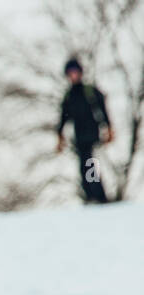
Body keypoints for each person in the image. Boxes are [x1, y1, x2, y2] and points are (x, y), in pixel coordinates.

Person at [56, 57, 114, 204]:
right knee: (85, 165)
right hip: (79, 135)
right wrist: (60, 136)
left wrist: (108, 127)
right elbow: (64, 117)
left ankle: (97, 196)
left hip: (92, 133)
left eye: (75, 72)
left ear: (80, 73)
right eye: (70, 73)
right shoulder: (69, 96)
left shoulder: (89, 92)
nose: (73, 76)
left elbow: (102, 109)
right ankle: (92, 195)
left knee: (88, 163)